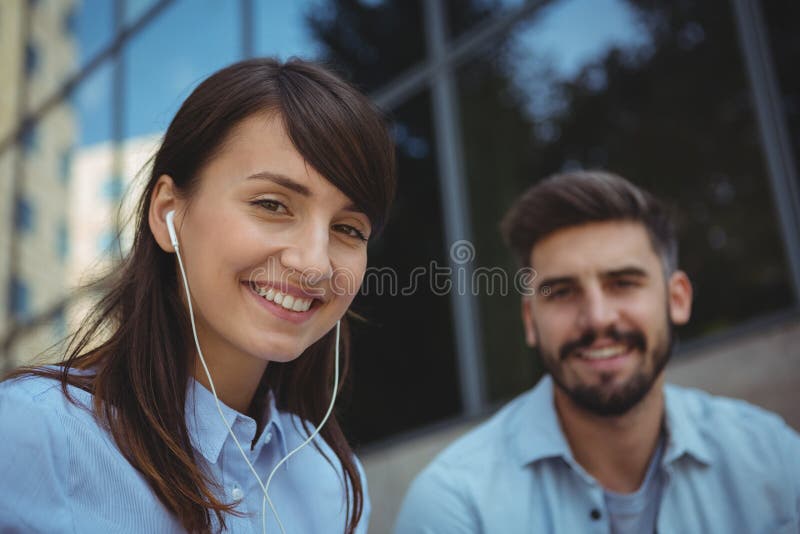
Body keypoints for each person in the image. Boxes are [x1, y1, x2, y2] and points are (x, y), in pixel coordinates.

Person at [0, 58, 395, 534]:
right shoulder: (31, 433)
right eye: (271, 204)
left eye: (349, 229)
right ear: (168, 212)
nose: (314, 264)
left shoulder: (331, 484)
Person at [395, 171, 800, 533]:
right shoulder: (456, 507)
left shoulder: (773, 458)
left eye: (623, 282)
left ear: (677, 299)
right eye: (563, 292)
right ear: (530, 321)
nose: (597, 319)